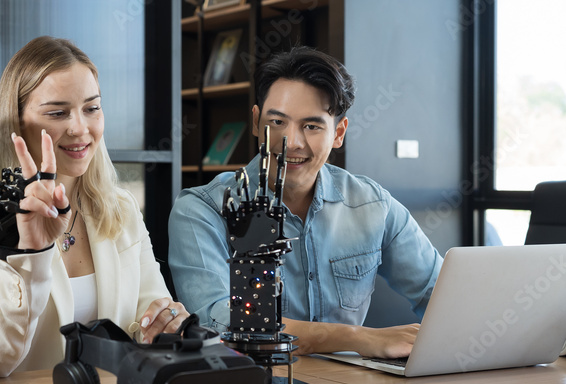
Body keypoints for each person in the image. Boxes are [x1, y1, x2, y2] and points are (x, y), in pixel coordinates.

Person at [169, 47, 443, 359]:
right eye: (278, 122)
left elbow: (443, 295)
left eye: (311, 126)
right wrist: (354, 337)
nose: (293, 142)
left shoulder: (373, 204)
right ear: (257, 122)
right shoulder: (202, 211)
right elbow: (217, 322)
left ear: (338, 133)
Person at [0, 36, 188, 378]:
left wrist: (164, 325)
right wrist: (32, 253)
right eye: (58, 113)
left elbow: (149, 316)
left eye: (92, 108)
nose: (80, 128)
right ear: (15, 123)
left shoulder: (121, 207)